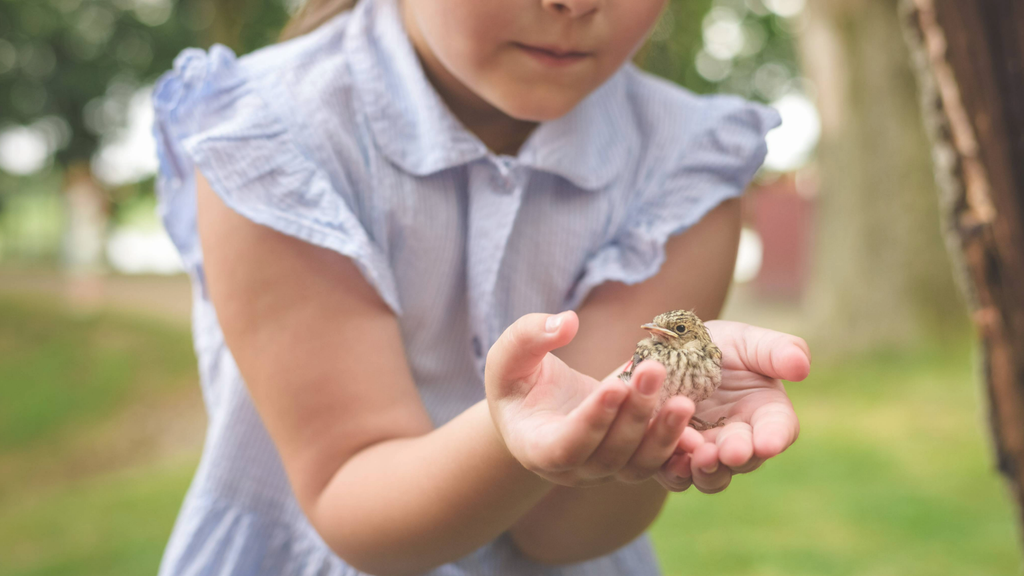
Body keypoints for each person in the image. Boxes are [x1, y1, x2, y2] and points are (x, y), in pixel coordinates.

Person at [152, 0, 812, 574]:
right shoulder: (269, 134)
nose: (575, 3)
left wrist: (652, 418)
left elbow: (566, 535)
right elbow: (353, 497)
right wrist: (516, 433)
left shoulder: (691, 167)